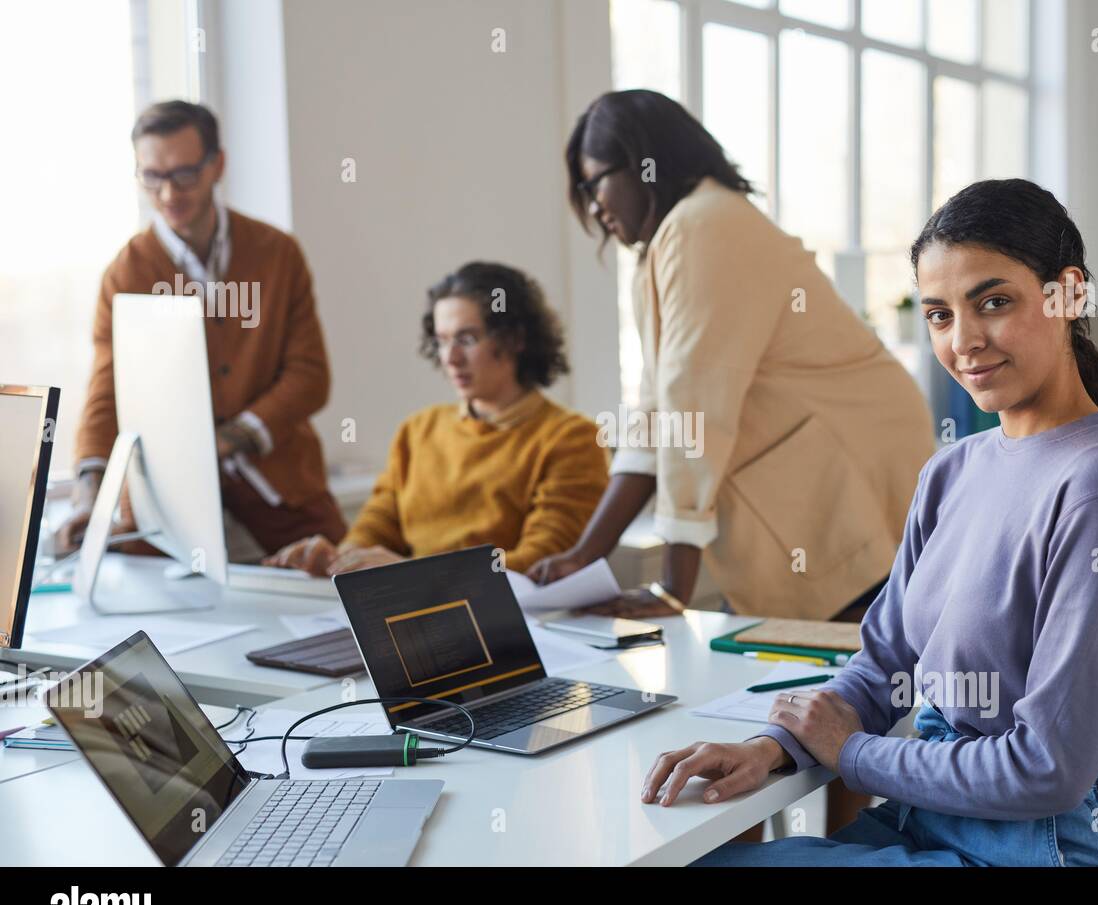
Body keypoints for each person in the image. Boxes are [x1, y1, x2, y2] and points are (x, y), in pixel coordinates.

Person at [641, 179, 1098, 867]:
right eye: (939, 315)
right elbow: (882, 666)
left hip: (1044, 847)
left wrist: (855, 754)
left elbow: (1049, 768)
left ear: (1068, 294)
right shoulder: (952, 471)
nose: (965, 341)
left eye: (993, 302)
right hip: (931, 821)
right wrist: (771, 748)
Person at [529, 89, 934, 624]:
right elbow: (656, 418)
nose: (594, 202)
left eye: (595, 180)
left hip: (849, 465)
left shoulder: (705, 225)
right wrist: (587, 554)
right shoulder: (671, 243)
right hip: (817, 475)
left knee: (842, 675)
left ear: (643, 163)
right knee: (805, 672)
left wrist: (675, 588)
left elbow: (692, 407)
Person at [56, 100, 345, 560]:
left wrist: (226, 440)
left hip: (281, 489)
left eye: (184, 175)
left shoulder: (277, 253)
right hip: (168, 499)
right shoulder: (126, 273)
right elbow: (106, 393)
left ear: (218, 166)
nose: (169, 194)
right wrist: (89, 493)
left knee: (337, 588)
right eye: (152, 176)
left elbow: (309, 377)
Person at [264, 262, 609, 577]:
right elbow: (379, 523)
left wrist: (412, 573)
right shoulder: (418, 430)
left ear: (516, 339)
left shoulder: (572, 439)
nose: (451, 358)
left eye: (467, 339)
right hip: (415, 610)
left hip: (510, 623)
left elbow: (537, 563)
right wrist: (342, 558)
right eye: (442, 341)